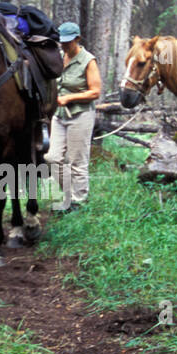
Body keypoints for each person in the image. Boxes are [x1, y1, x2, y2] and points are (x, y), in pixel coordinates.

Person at [46, 22, 101, 212]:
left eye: (68, 42)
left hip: (80, 114)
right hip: (59, 115)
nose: (64, 46)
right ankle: (68, 194)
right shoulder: (60, 58)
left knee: (77, 160)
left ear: (77, 39)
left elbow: (95, 92)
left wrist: (70, 97)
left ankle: (78, 201)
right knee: (52, 157)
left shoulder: (88, 60)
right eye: (61, 42)